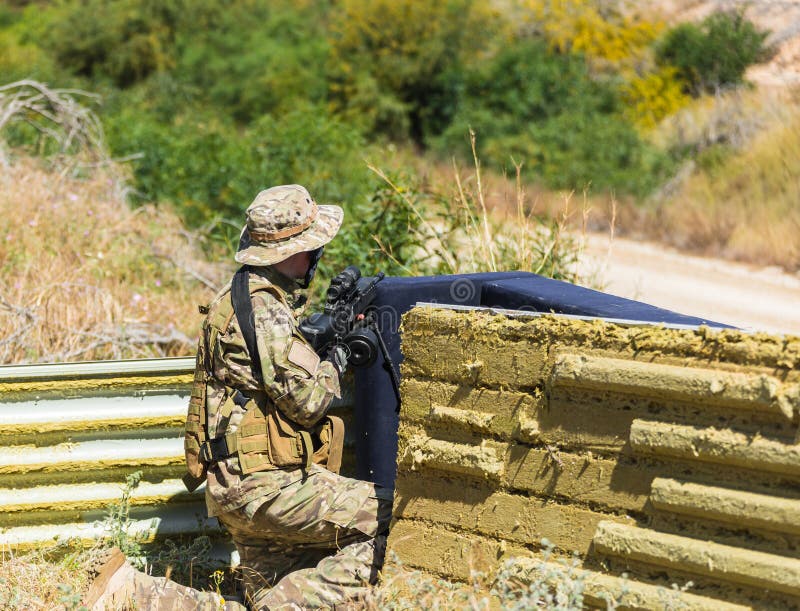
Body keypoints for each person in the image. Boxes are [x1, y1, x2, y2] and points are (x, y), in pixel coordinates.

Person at [86, 185, 393, 610]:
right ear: (292, 252)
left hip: (237, 485)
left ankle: (131, 592)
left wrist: (322, 337)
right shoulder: (265, 310)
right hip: (268, 487)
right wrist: (339, 357)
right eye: (313, 247)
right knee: (395, 517)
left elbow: (265, 372)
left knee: (259, 600)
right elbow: (307, 403)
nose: (316, 257)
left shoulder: (237, 297)